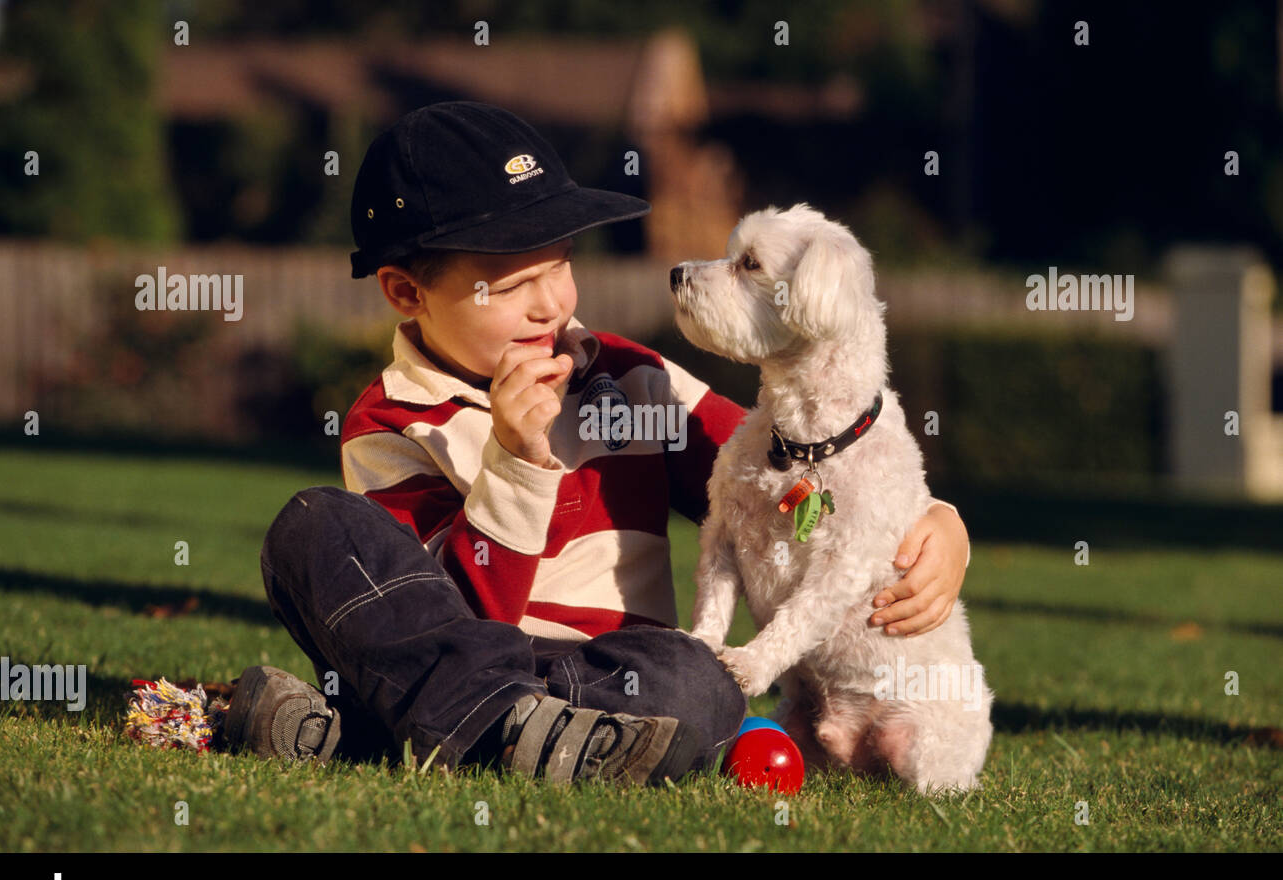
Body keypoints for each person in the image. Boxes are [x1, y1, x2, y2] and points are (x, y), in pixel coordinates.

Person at [224, 101, 972, 786]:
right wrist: (516, 463)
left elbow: (798, 471)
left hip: (618, 677)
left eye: (561, 264)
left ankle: (389, 734)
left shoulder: (630, 380)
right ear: (406, 292)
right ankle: (513, 728)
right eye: (510, 285)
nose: (551, 303)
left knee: (700, 679)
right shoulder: (391, 422)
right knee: (312, 527)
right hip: (477, 659)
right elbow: (446, 618)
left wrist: (937, 519)